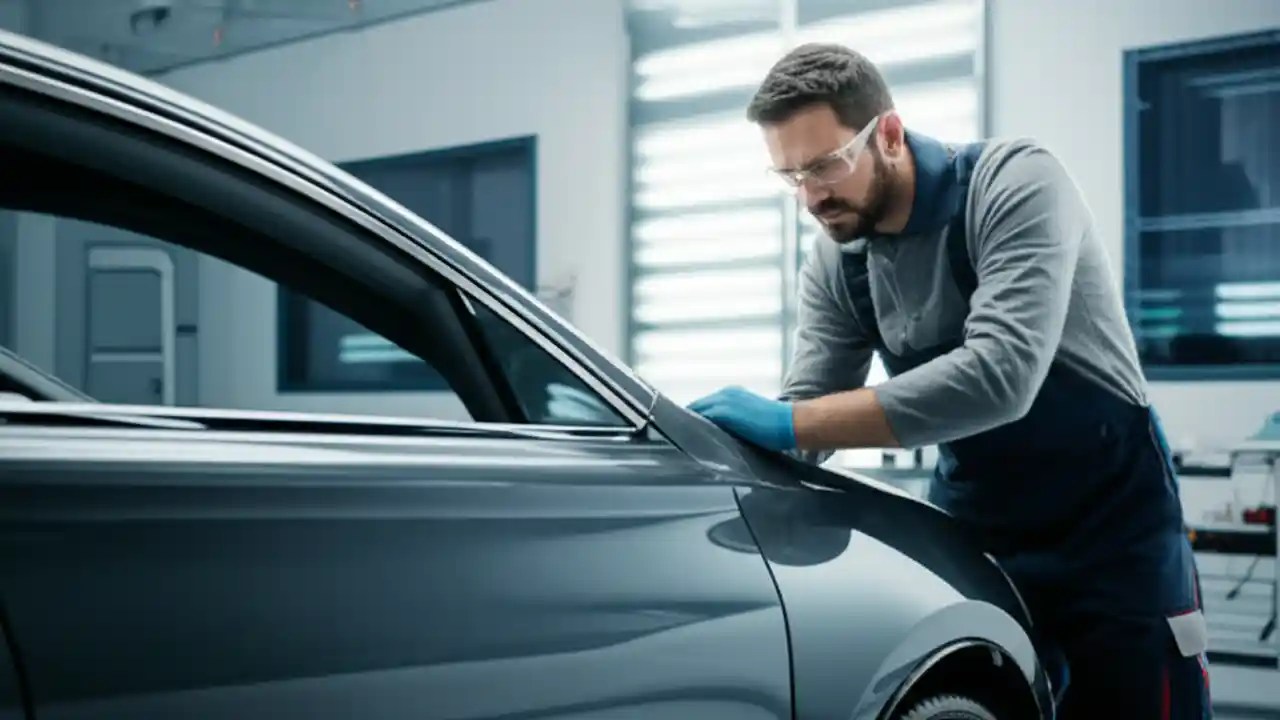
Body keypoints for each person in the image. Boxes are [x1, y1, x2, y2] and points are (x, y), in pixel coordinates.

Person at [688, 43, 1212, 718]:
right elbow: (808, 418)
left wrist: (790, 422)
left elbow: (1001, 376)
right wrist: (702, 448)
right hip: (981, 534)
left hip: (1113, 534)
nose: (810, 197)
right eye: (790, 176)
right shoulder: (838, 258)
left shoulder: (1016, 184)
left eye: (824, 166)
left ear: (889, 134)